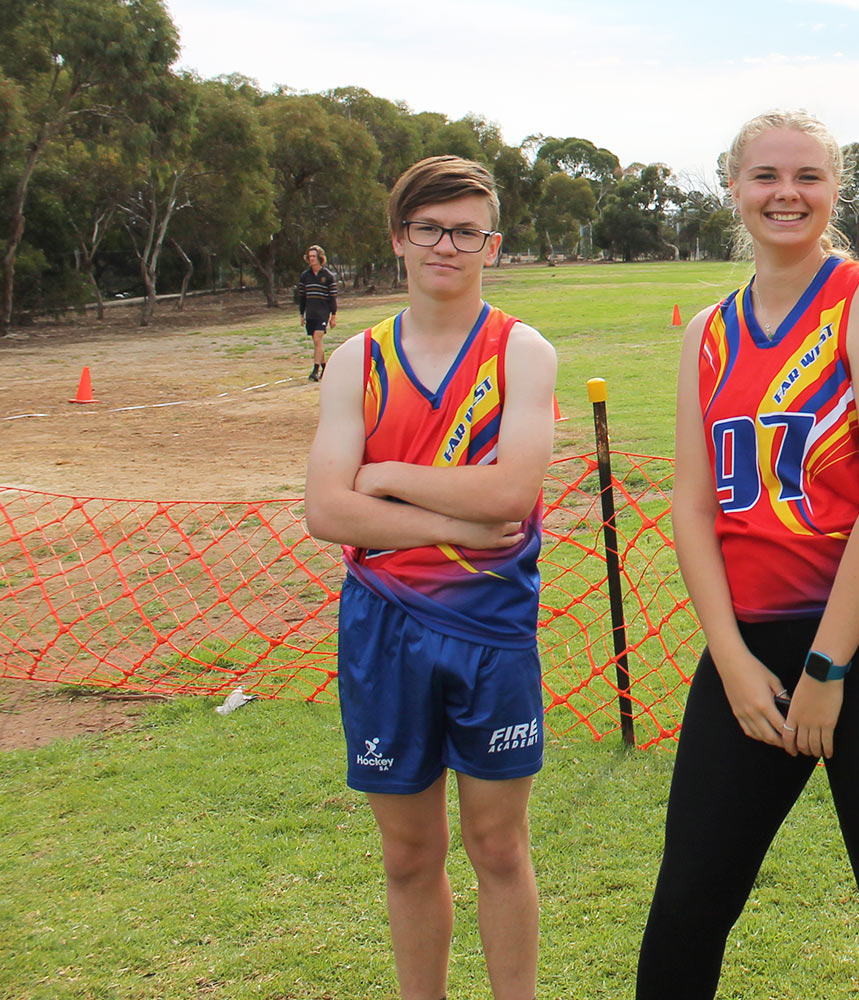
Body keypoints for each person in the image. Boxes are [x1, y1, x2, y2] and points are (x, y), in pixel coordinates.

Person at [636, 110, 859, 999]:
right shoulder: (707, 329)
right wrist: (732, 661)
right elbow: (693, 506)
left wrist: (828, 665)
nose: (788, 194)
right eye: (767, 176)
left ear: (834, 190)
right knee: (691, 898)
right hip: (753, 640)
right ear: (733, 188)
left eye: (808, 177)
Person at [304, 155, 557, 1000]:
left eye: (464, 230)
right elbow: (329, 512)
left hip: (491, 632)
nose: (446, 245)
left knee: (497, 844)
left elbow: (513, 494)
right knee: (409, 853)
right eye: (427, 228)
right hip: (384, 630)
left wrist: (384, 476)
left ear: (491, 242)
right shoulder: (357, 362)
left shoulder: (521, 351)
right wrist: (455, 523)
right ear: (398, 239)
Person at [299, 244, 338, 381]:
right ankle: (325, 367)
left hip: (323, 313)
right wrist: (301, 314)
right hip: (310, 313)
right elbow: (302, 297)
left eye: (314, 257)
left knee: (317, 339)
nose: (311, 259)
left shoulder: (328, 276)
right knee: (317, 343)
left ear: (320, 258)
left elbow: (332, 297)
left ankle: (315, 370)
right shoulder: (305, 276)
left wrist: (333, 316)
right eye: (309, 257)